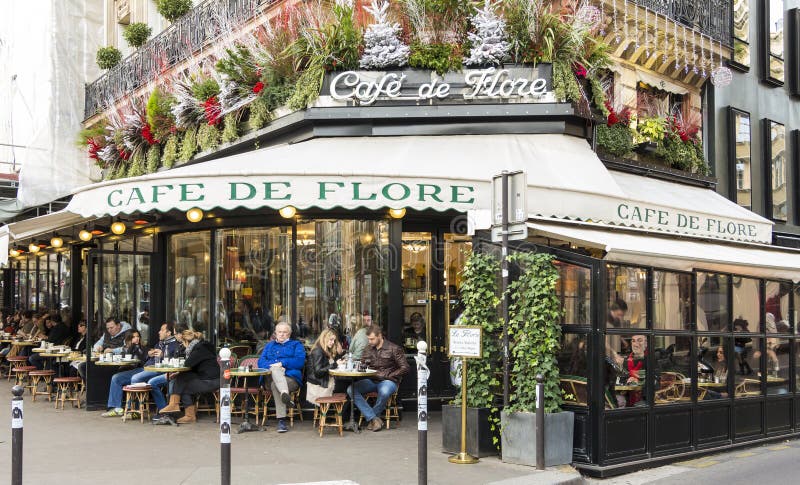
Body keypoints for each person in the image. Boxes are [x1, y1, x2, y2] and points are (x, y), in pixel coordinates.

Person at [348, 324, 409, 432]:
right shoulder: (367, 349)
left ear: (379, 336)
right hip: (371, 380)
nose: (370, 341)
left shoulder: (393, 348)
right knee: (351, 389)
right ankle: (374, 418)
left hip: (388, 381)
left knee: (384, 391)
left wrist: (389, 375)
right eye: (368, 339)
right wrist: (359, 366)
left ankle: (372, 418)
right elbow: (362, 364)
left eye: (372, 339)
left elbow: (405, 367)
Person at [158, 328, 218, 424]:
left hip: (211, 381)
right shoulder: (202, 346)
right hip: (210, 379)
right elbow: (195, 366)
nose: (183, 346)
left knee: (182, 380)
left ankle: (175, 404)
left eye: (183, 343)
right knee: (183, 383)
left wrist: (181, 369)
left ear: (186, 341)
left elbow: (187, 364)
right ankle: (188, 414)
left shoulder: (198, 349)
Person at [257, 322, 306, 433]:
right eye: (279, 332)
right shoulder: (269, 345)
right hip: (269, 379)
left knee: (276, 385)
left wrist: (283, 363)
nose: (282, 334)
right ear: (276, 333)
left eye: (285, 332)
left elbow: (299, 362)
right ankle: (284, 394)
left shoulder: (296, 345)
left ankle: (281, 420)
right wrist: (276, 366)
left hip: (290, 379)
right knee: (275, 370)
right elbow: (261, 362)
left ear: (289, 334)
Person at [101, 330, 149, 417]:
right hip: (132, 370)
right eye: (133, 337)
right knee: (116, 378)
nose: (136, 339)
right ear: (128, 339)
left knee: (122, 378)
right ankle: (117, 408)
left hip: (141, 370)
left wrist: (134, 345)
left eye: (137, 336)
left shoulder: (143, 348)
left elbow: (141, 360)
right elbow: (126, 357)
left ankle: (133, 410)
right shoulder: (125, 348)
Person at [306, 328, 346, 406]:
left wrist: (340, 358)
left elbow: (329, 364)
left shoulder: (325, 350)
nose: (333, 342)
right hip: (319, 387)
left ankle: (338, 414)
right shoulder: (318, 351)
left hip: (324, 382)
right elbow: (318, 372)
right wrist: (335, 364)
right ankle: (340, 414)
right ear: (324, 338)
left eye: (334, 340)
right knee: (349, 387)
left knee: (348, 386)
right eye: (331, 340)